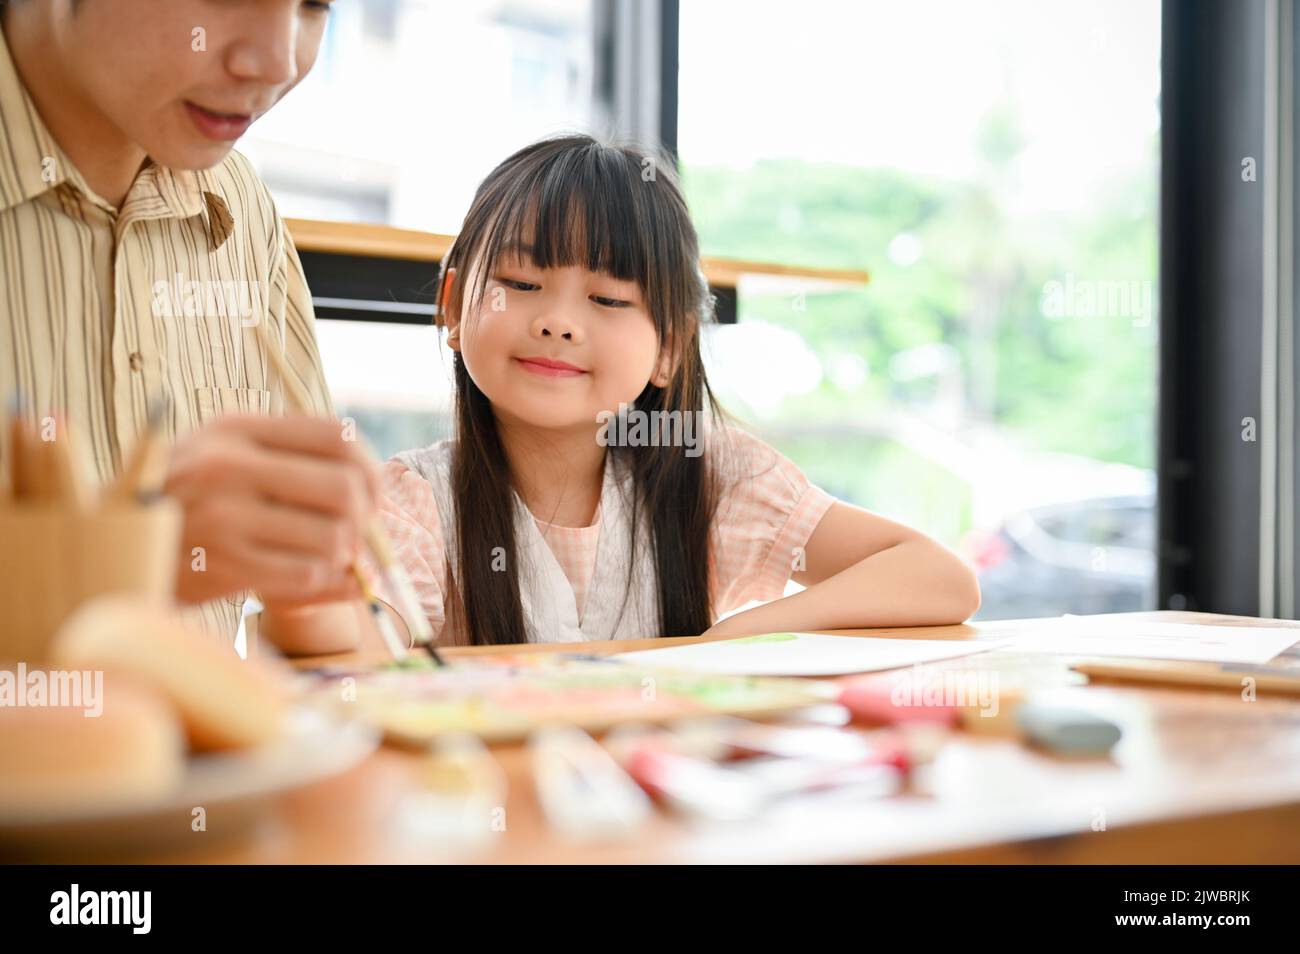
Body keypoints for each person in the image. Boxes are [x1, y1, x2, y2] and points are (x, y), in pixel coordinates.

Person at [366, 135, 980, 646]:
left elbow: (942, 579)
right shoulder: (416, 502)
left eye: (607, 298)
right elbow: (359, 637)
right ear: (451, 306)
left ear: (669, 347)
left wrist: (745, 635)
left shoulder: (715, 476)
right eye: (521, 282)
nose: (558, 322)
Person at [0, 0, 377, 652]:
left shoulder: (241, 208)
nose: (278, 62)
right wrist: (135, 556)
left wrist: (317, 584)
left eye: (317, 4)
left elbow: (319, 604)